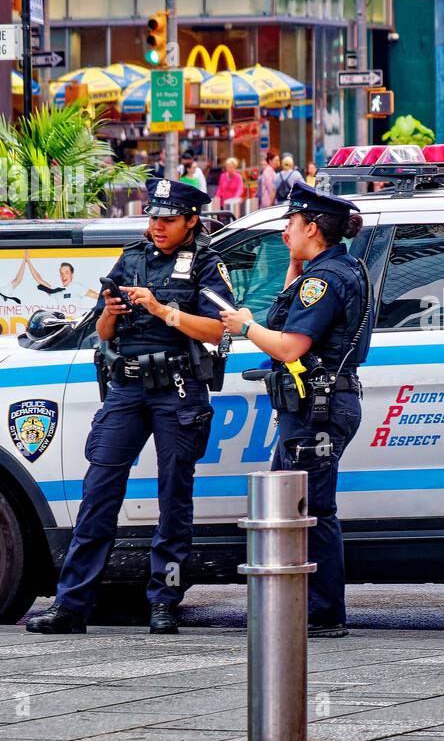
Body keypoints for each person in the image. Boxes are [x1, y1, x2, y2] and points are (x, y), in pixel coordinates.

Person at [27, 178, 232, 636]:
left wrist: (161, 310)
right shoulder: (131, 257)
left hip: (177, 388)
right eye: (154, 218)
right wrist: (110, 313)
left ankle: (163, 601)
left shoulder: (206, 263)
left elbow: (220, 331)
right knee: (99, 490)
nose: (158, 226)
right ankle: (72, 605)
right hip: (127, 388)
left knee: (173, 495)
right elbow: (103, 333)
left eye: (169, 220)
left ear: (191, 221)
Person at [220, 183, 374, 638]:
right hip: (315, 407)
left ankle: (323, 612)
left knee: (312, 509)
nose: (285, 230)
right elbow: (288, 314)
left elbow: (288, 345)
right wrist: (293, 261)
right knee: (289, 504)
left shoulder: (324, 281)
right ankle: (297, 606)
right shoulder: (331, 270)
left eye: (291, 223)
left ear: (312, 227)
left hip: (317, 411)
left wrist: (245, 325)